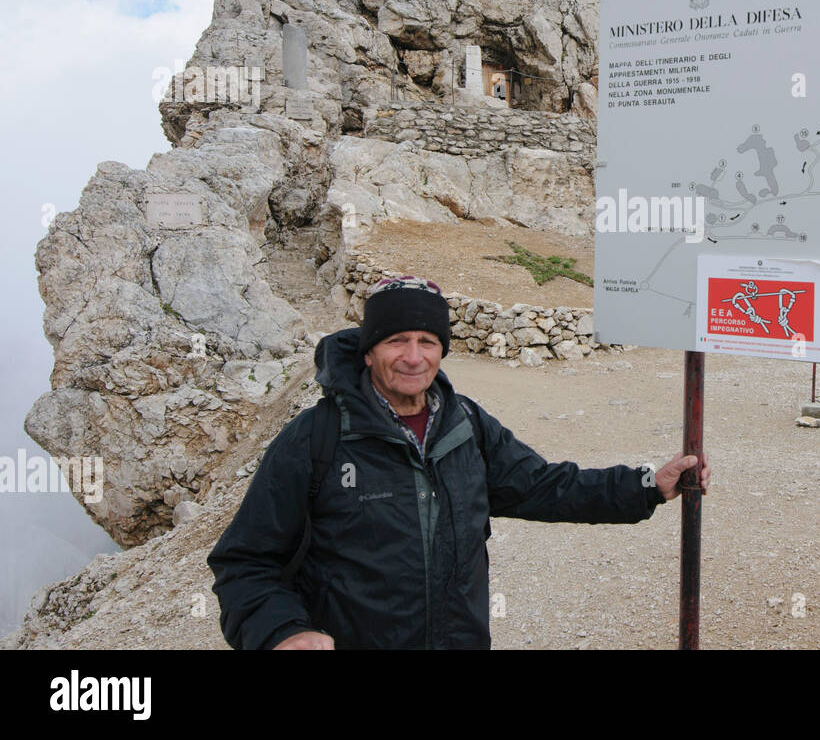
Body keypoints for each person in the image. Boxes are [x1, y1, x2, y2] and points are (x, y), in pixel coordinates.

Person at [207, 275, 710, 650]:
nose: (413, 356)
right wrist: (283, 632)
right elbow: (246, 561)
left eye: (427, 341)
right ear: (367, 353)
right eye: (395, 341)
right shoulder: (315, 438)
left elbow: (544, 486)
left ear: (442, 350)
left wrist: (647, 484)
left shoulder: (465, 423)